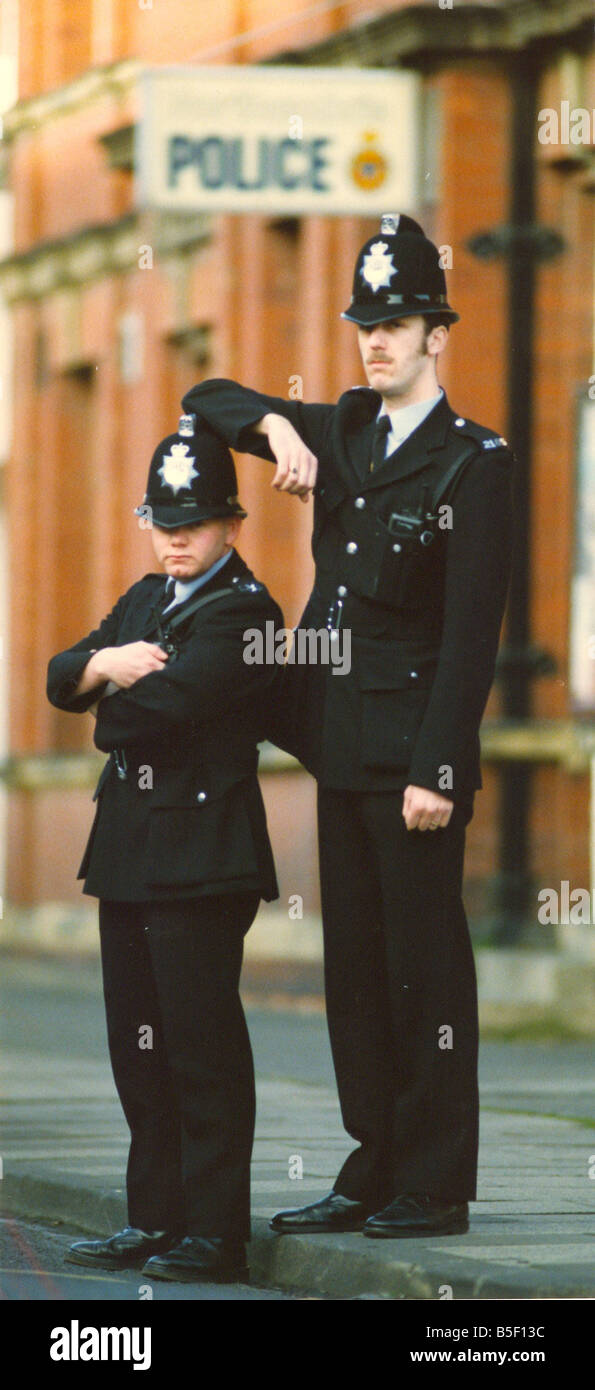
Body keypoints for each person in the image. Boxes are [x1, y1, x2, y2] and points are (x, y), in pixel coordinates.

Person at [180, 213, 515, 1239]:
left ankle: (436, 1182)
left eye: (400, 320)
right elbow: (204, 399)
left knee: (425, 969)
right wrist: (276, 429)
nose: (379, 338)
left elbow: (470, 638)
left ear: (437, 335)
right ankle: (373, 1162)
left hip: (410, 757)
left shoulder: (473, 462)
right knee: (357, 973)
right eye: (367, 321)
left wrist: (441, 770)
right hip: (339, 743)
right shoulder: (342, 428)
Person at [47, 420, 283, 1282]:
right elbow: (57, 674)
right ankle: (156, 1219)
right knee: (137, 1047)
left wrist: (106, 688)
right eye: (163, 519)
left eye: (195, 520)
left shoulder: (250, 612)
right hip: (128, 852)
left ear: (231, 524)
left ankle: (215, 1234)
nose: (176, 534)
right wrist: (109, 660)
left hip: (203, 856)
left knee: (201, 1046)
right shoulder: (148, 597)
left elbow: (158, 709)